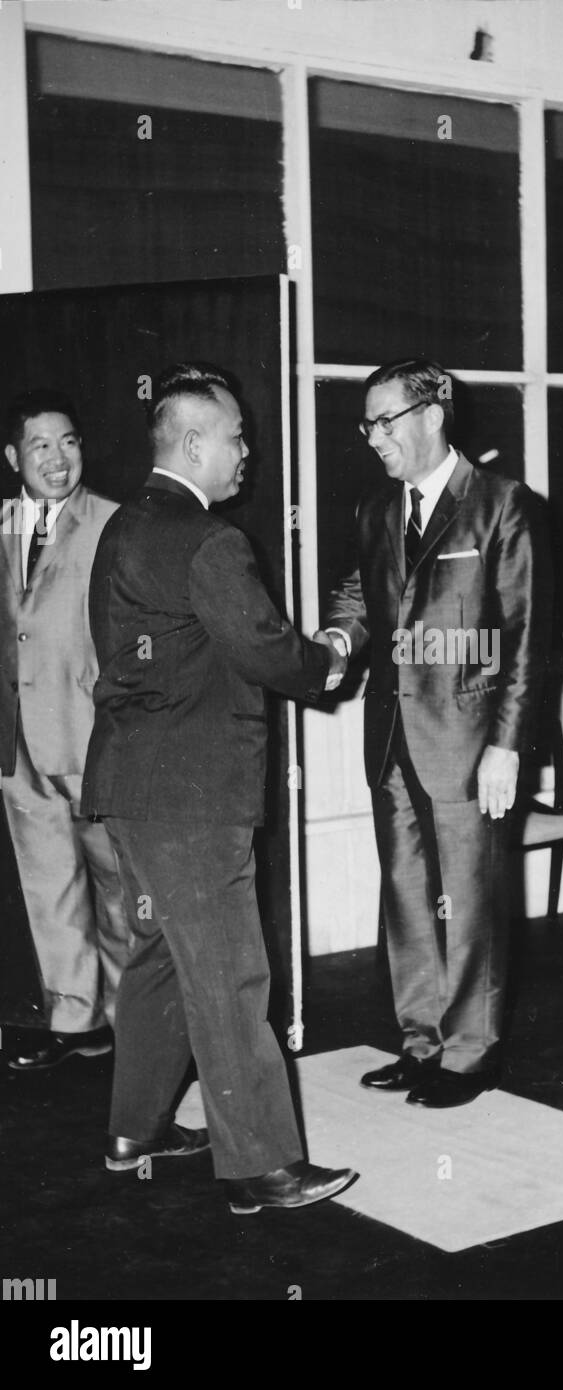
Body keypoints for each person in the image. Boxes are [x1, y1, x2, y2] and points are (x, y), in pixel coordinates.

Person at [82, 363, 357, 1214]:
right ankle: (260, 1170)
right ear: (195, 444)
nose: (247, 452)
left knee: (162, 958)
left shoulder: (122, 526)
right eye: (237, 438)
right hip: (191, 799)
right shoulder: (208, 540)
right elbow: (269, 652)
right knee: (231, 976)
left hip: (131, 786)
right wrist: (335, 649)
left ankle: (135, 1132)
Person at [319, 358, 552, 1108]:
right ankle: (420, 1043)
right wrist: (337, 637)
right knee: (407, 897)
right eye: (367, 425)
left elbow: (524, 636)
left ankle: (470, 1055)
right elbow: (362, 593)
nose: (373, 438)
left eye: (385, 421)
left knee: (470, 900)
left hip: (469, 740)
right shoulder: (375, 509)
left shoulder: (501, 504)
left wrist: (507, 746)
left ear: (431, 415)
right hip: (391, 733)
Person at [1, 390, 129, 1069]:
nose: (58, 458)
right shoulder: (3, 525)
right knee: (48, 885)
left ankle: (131, 1023)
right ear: (13, 456)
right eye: (41, 445)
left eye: (69, 441)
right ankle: (75, 1020)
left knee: (118, 886)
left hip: (90, 735)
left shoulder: (112, 523)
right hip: (18, 742)